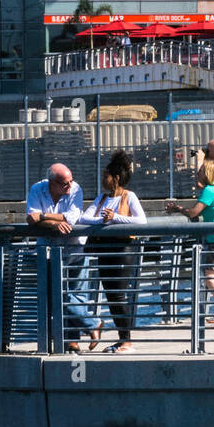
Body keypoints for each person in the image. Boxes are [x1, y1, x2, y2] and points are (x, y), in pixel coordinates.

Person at [26, 162, 101, 352]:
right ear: (52, 183)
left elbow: (72, 218)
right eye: (64, 183)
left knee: (78, 295)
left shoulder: (76, 189)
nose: (69, 186)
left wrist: (43, 217)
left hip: (75, 248)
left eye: (70, 181)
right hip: (49, 249)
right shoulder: (37, 189)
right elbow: (30, 219)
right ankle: (93, 324)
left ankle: (72, 341)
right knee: (56, 294)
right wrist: (53, 224)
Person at [79, 150, 147, 353]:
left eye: (105, 176)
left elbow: (141, 220)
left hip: (123, 249)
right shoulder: (101, 198)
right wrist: (103, 220)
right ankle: (121, 338)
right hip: (104, 249)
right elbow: (84, 218)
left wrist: (115, 218)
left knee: (118, 294)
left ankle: (126, 340)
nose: (102, 179)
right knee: (110, 294)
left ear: (116, 178)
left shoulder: (129, 196)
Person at [166, 160, 214, 324]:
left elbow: (193, 213)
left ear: (206, 174)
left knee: (209, 276)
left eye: (199, 172)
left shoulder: (209, 190)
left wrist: (177, 209)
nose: (197, 174)